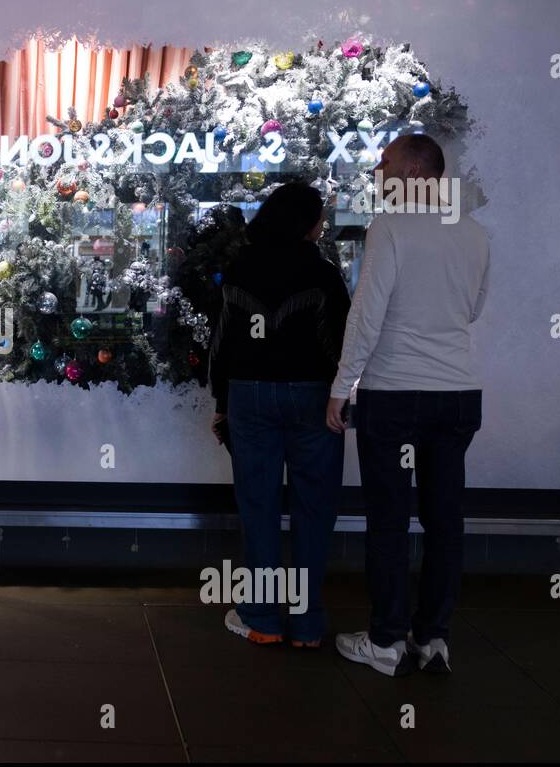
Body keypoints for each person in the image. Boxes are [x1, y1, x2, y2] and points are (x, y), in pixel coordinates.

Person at [327, 134, 489, 677]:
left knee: (390, 520)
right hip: (458, 395)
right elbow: (473, 309)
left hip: (395, 394)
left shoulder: (391, 228)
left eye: (387, 162)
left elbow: (366, 315)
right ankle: (433, 638)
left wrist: (341, 385)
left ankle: (386, 640)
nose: (379, 169)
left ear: (417, 172)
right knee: (446, 521)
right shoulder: (474, 233)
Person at [208, 184, 351, 648]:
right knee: (314, 508)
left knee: (259, 506)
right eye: (319, 217)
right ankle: (307, 626)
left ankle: (263, 620)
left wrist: (221, 404)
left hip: (249, 397)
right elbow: (343, 343)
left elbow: (221, 345)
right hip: (314, 399)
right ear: (306, 222)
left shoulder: (240, 268)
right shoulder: (323, 273)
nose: (323, 224)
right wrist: (340, 394)